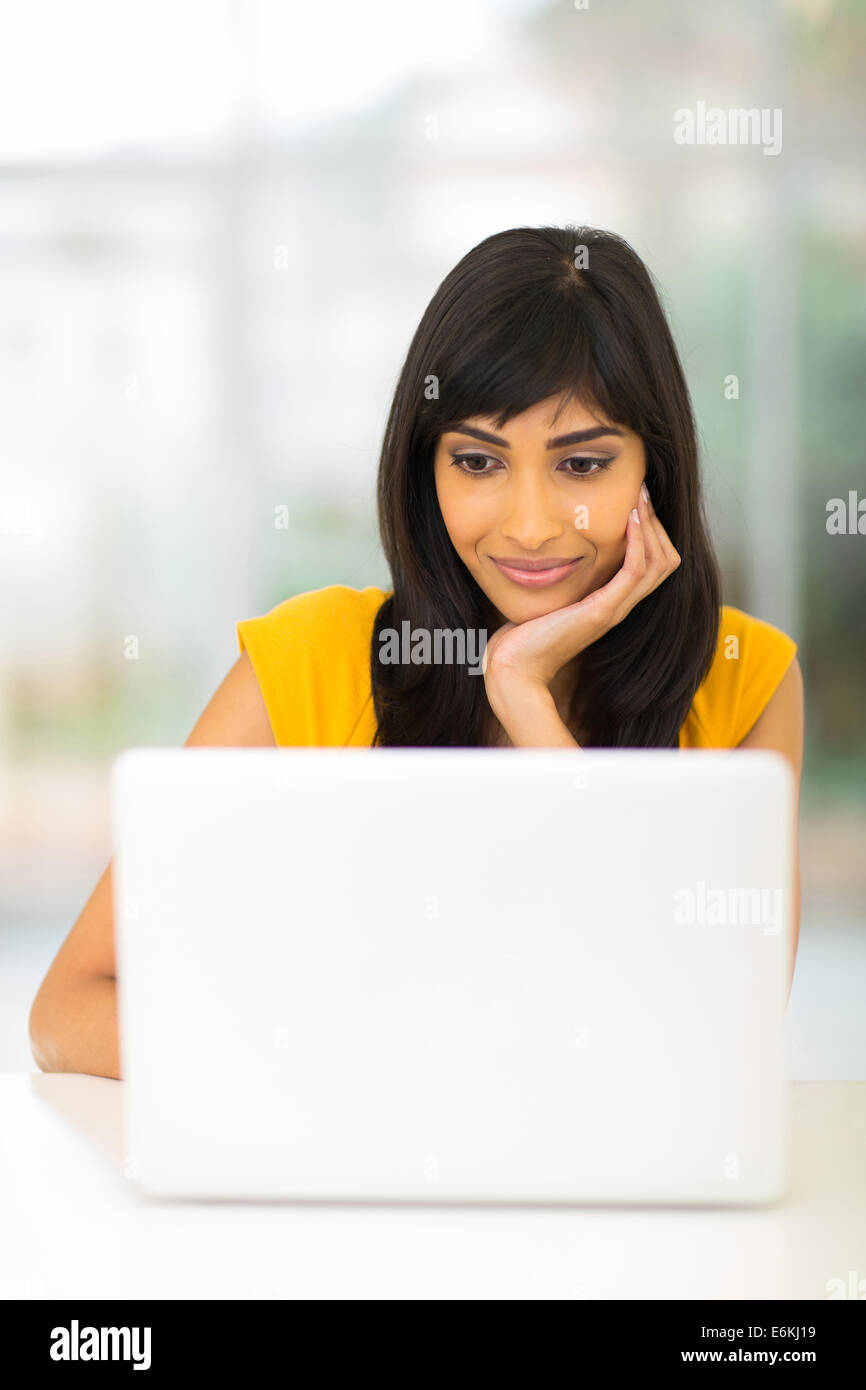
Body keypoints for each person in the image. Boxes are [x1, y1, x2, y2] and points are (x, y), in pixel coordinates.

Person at [29, 225, 804, 1081]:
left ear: (654, 470)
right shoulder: (313, 658)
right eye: (478, 461)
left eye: (582, 465)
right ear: (425, 470)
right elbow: (67, 1012)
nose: (530, 525)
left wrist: (527, 701)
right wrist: (341, 1077)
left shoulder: (746, 677)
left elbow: (717, 1036)